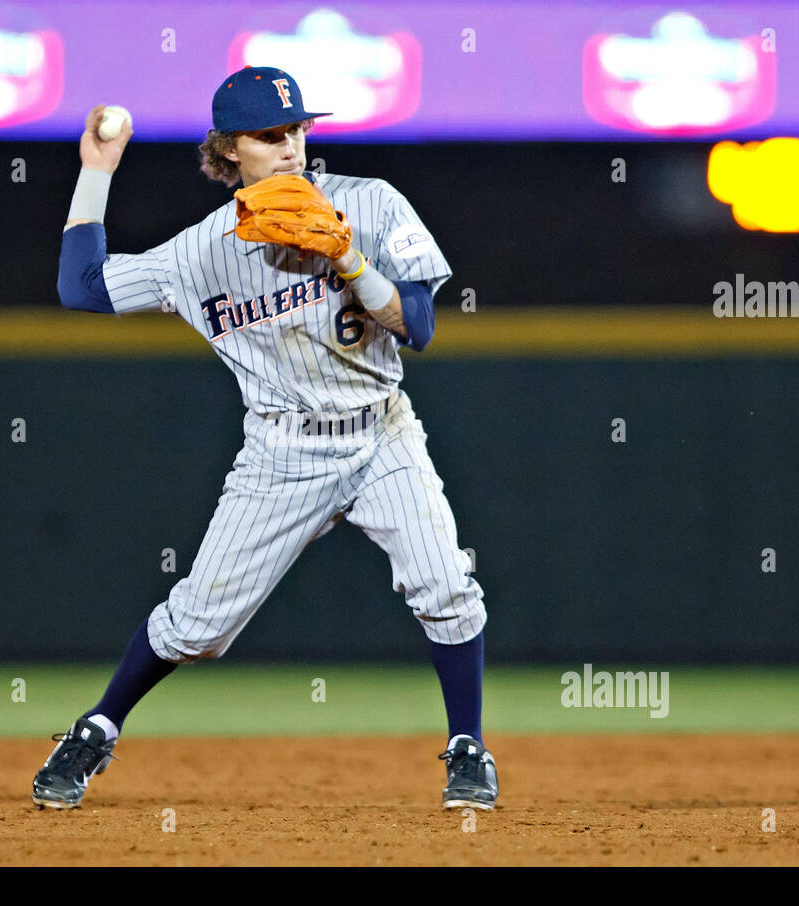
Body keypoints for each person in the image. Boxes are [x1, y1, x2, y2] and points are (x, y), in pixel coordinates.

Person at [33, 66, 497, 811]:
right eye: (268, 137)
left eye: (298, 130)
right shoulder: (200, 252)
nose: (290, 148)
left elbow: (420, 326)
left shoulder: (369, 203)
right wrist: (95, 174)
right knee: (197, 626)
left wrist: (352, 260)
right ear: (228, 153)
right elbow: (80, 288)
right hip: (282, 453)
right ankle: (95, 729)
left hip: (381, 433)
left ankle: (469, 748)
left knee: (447, 587)